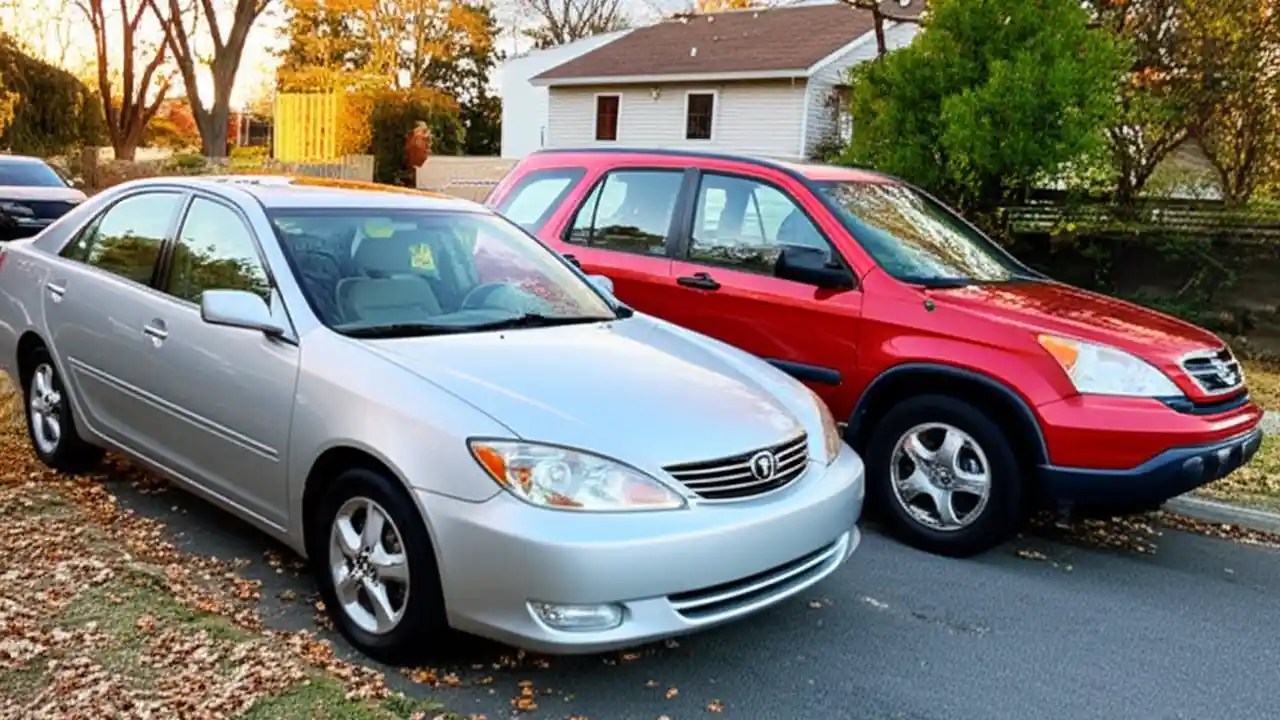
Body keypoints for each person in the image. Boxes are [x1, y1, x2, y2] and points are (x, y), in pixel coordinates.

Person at [403, 121, 432, 186]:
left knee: (413, 174)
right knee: (412, 175)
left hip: (413, 161)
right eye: (424, 128)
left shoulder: (414, 135)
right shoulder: (418, 136)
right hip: (415, 159)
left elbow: (409, 147)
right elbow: (418, 146)